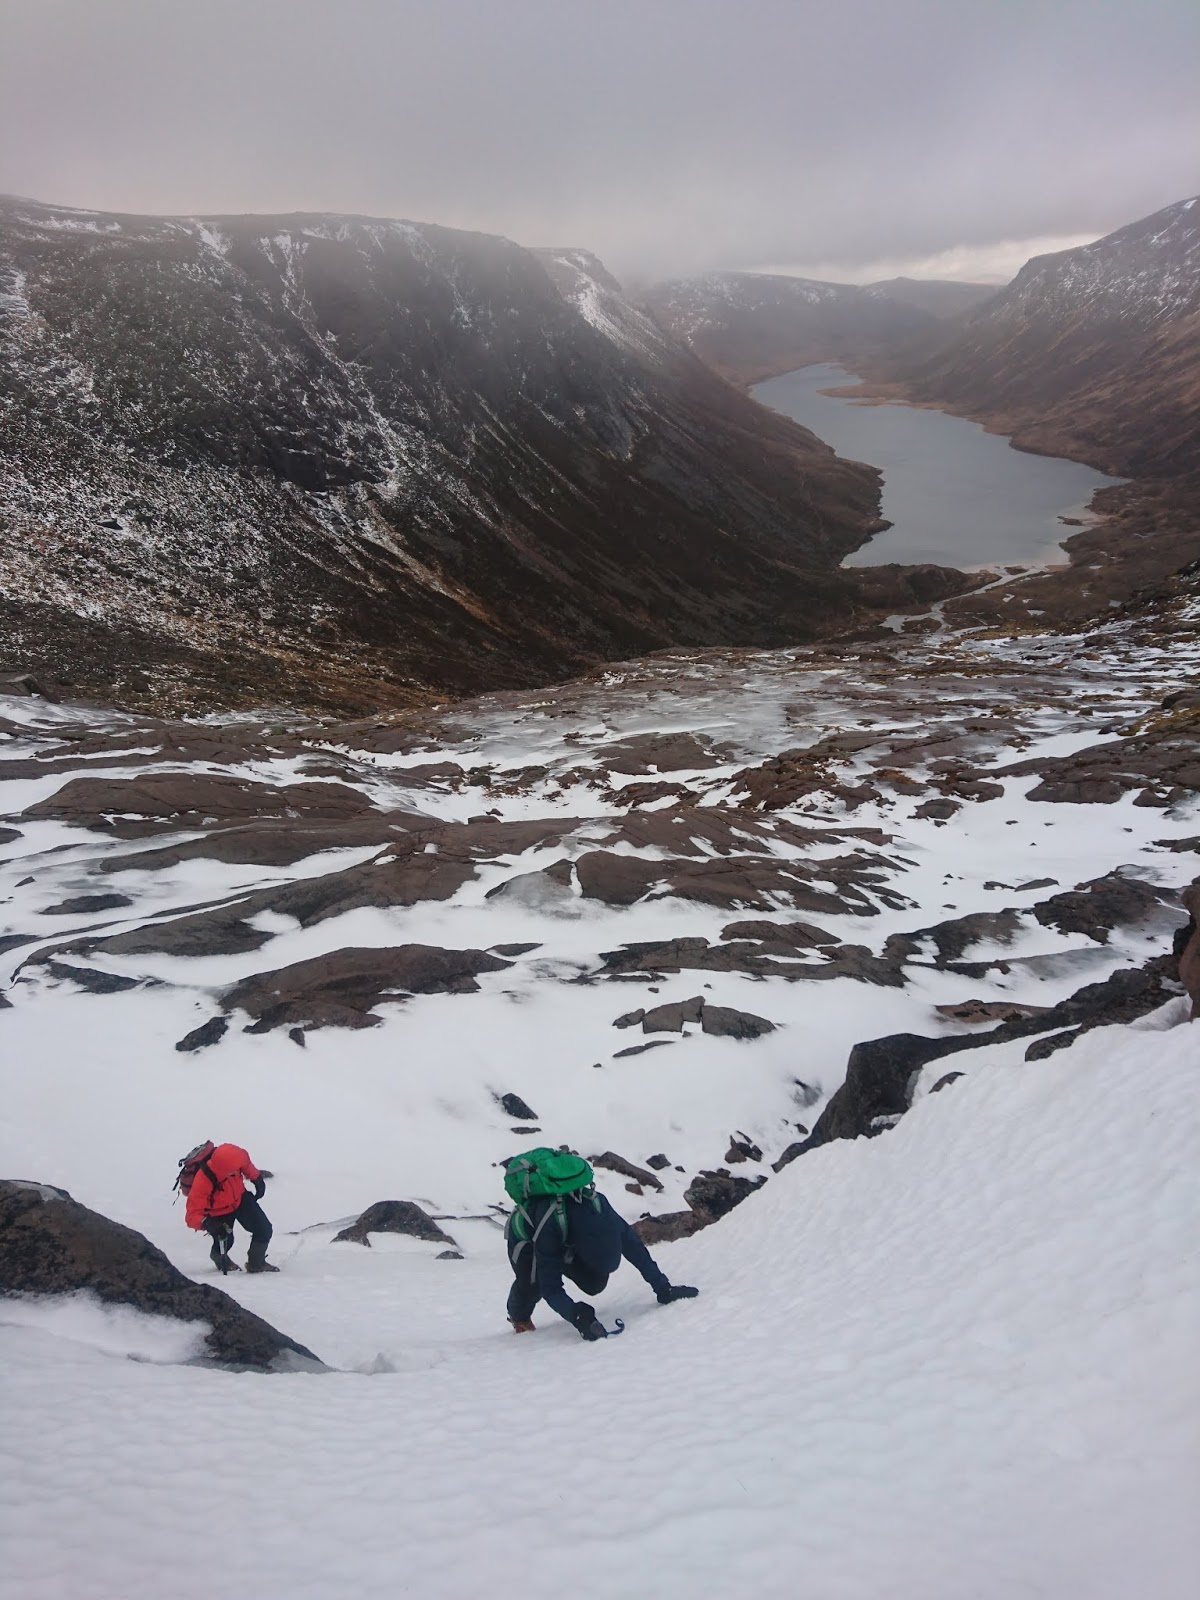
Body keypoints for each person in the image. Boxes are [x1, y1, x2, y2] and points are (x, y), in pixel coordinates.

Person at [506, 1186, 697, 1338]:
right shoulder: (551, 1226)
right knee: (532, 1283)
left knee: (594, 1284)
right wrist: (576, 1315)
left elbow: (636, 1250)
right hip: (527, 1240)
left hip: (566, 1238)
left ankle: (561, 1259)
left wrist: (663, 1288)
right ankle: (519, 1317)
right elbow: (551, 1288)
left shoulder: (606, 1214)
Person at [185, 1142, 277, 1274]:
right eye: (234, 1170)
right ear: (224, 1170)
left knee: (264, 1229)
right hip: (218, 1211)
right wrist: (207, 1223)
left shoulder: (235, 1158)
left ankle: (256, 1264)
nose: (238, 1170)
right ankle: (218, 1257)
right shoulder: (203, 1180)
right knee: (226, 1240)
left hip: (239, 1198)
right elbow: (191, 1215)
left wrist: (256, 1178)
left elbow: (246, 1164)